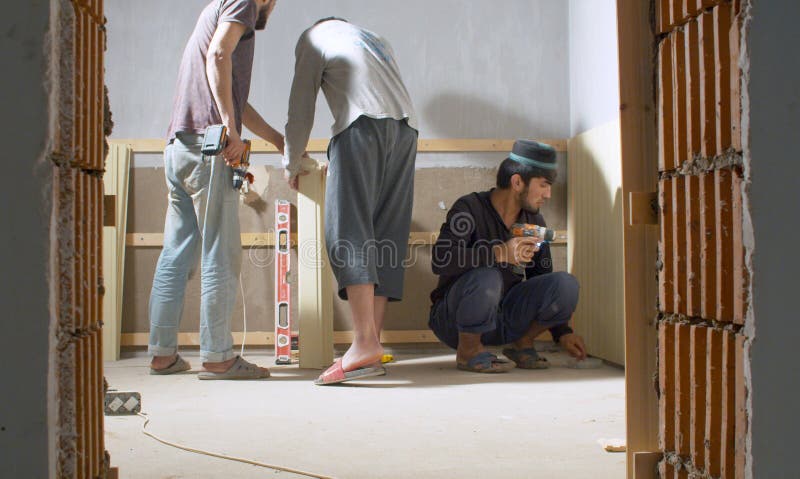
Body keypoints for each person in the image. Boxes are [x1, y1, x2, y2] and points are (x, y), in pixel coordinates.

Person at [148, 0, 283, 379]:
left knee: (176, 253)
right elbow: (220, 53)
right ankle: (219, 356)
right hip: (209, 148)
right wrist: (230, 130)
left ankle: (162, 354)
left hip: (180, 147)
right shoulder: (241, 3)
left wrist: (276, 139)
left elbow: (233, 96)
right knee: (221, 254)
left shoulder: (216, 9)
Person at [283, 18, 418, 385]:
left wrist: (292, 162)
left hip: (360, 127)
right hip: (406, 131)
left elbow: (301, 106)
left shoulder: (313, 36)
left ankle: (362, 343)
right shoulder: (376, 38)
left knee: (347, 229)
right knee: (384, 233)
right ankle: (370, 342)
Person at [429, 140, 587, 373]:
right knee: (489, 276)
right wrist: (500, 252)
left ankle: (523, 342)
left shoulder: (534, 221)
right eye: (544, 185)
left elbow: (541, 279)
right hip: (454, 320)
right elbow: (440, 259)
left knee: (566, 284)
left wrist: (562, 332)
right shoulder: (469, 209)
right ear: (517, 182)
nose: (548, 194)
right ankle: (469, 350)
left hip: (504, 319)